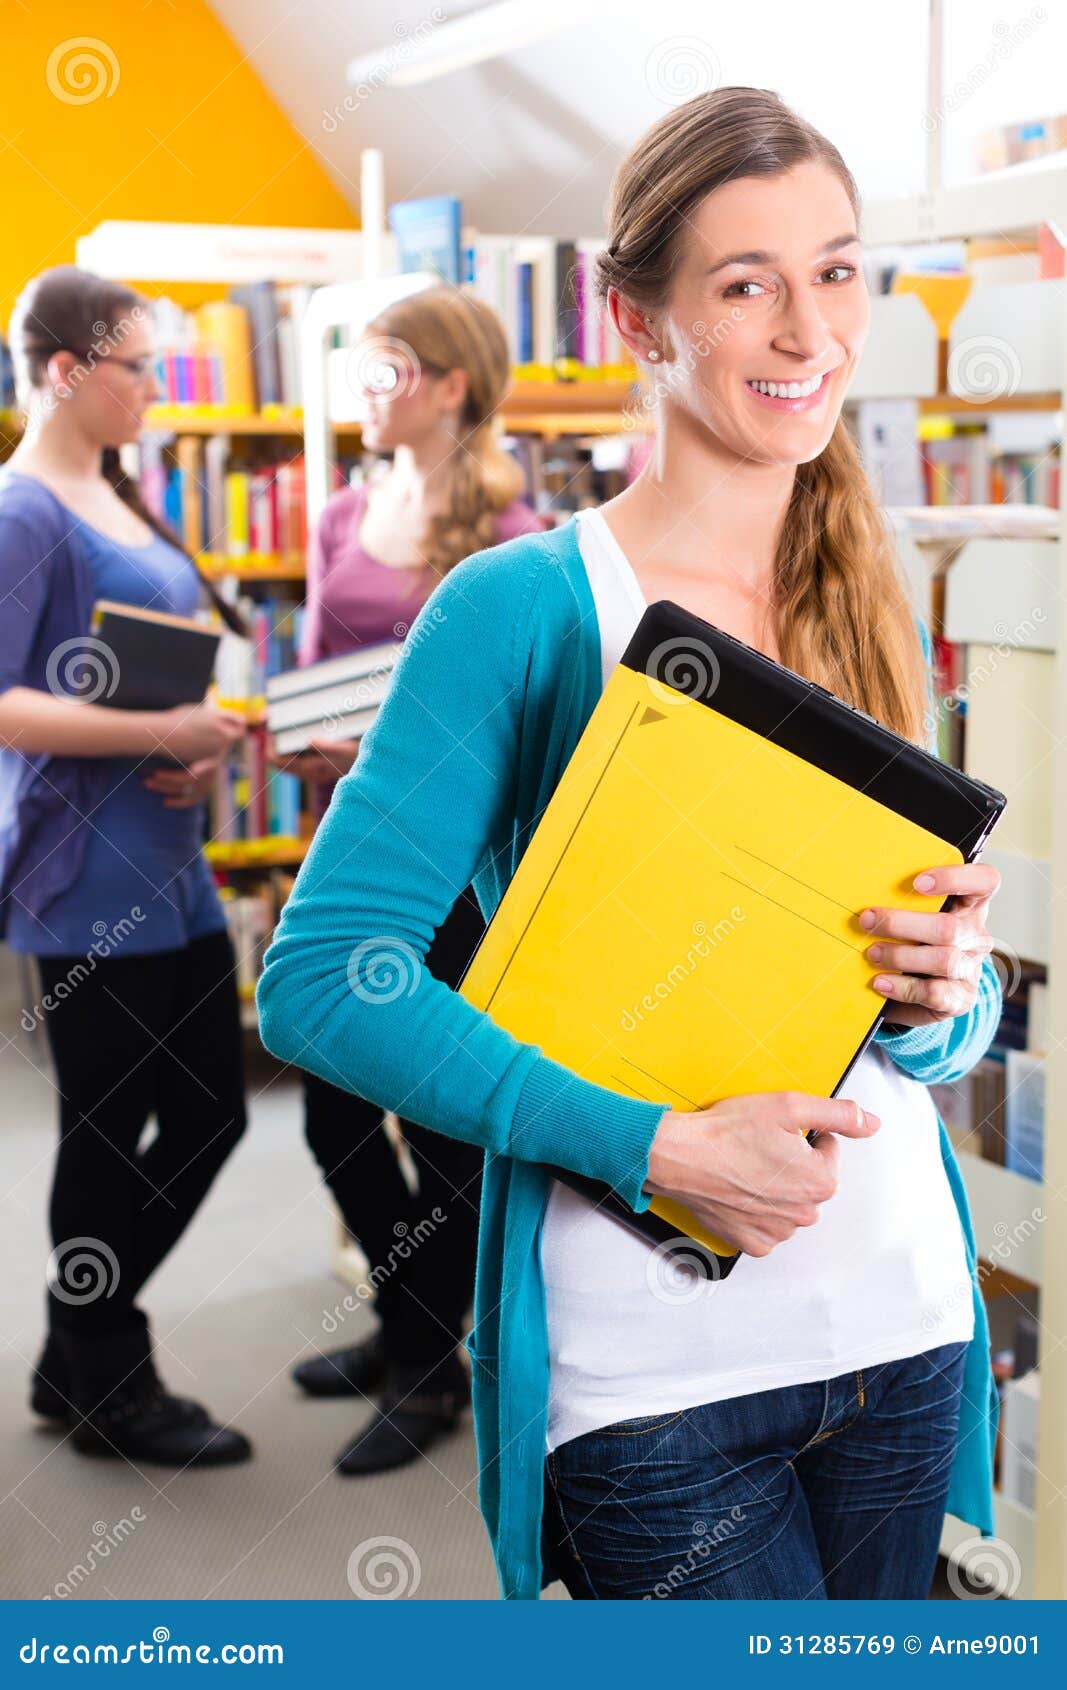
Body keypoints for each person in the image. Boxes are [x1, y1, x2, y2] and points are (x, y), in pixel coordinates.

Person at [257, 88, 1004, 1599]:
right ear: (633, 319)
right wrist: (655, 1149)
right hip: (653, 1379)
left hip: (901, 1326)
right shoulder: (520, 608)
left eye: (838, 269)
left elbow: (927, 1030)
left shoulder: (869, 593)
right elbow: (324, 978)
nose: (809, 331)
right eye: (746, 285)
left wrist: (946, 994)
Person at [276, 284, 548, 1474]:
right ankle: (407, 1325)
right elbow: (323, 660)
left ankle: (430, 1363)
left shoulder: (509, 529)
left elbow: (516, 715)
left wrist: (389, 757)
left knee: (437, 1125)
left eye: (383, 368)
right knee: (331, 1112)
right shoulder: (342, 509)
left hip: (453, 870)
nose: (364, 391)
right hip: (347, 843)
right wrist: (304, 740)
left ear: (445, 381)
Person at [0, 266, 253, 1467]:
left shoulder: (121, 495)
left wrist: (193, 750)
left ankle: (77, 1342)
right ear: (66, 369)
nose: (159, 387)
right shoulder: (23, 511)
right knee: (106, 1132)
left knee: (210, 1110)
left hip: (171, 860)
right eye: (139, 364)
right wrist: (159, 733)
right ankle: (104, 1376)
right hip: (81, 882)